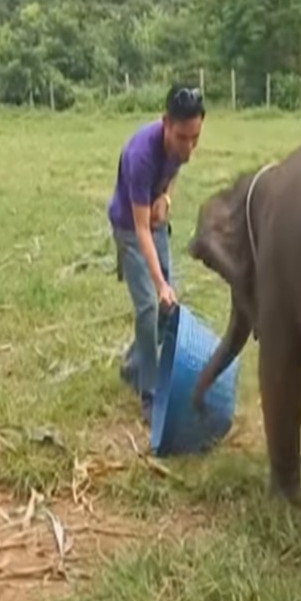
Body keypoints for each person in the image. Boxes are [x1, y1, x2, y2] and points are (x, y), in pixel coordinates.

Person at [108, 83, 206, 424]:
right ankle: (149, 394)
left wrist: (166, 198)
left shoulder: (179, 149)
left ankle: (133, 365)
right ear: (166, 122)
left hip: (155, 222)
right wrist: (159, 282)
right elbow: (139, 231)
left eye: (195, 137)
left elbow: (171, 173)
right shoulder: (141, 155)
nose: (189, 147)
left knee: (168, 310)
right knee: (150, 306)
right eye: (182, 138)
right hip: (130, 228)